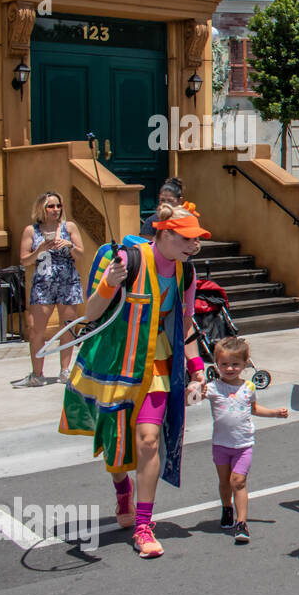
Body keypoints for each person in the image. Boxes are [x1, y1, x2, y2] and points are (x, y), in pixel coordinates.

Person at [60, 203, 211, 559]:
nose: (193, 246)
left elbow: (184, 324)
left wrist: (197, 366)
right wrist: (109, 285)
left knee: (147, 441)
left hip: (156, 364)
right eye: (188, 239)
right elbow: (91, 313)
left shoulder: (185, 274)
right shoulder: (129, 260)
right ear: (165, 233)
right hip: (117, 364)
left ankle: (143, 524)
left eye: (196, 240)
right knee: (117, 446)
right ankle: (122, 489)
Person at [204, 336, 288, 544]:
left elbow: (254, 409)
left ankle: (242, 523)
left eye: (235, 364)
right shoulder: (213, 388)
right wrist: (192, 390)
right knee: (225, 482)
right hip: (221, 445)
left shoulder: (248, 387)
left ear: (244, 364)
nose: (229, 368)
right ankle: (227, 508)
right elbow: (191, 399)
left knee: (238, 482)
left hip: (243, 444)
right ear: (217, 364)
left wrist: (275, 413)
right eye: (224, 364)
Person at [14, 191, 83, 387]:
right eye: (51, 206)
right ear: (41, 209)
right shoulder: (31, 231)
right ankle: (37, 374)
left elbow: (80, 254)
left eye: (58, 206)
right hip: (43, 283)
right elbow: (24, 260)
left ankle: (65, 371)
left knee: (68, 327)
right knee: (36, 329)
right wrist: (40, 249)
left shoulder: (69, 227)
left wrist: (70, 245)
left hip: (67, 281)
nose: (56, 210)